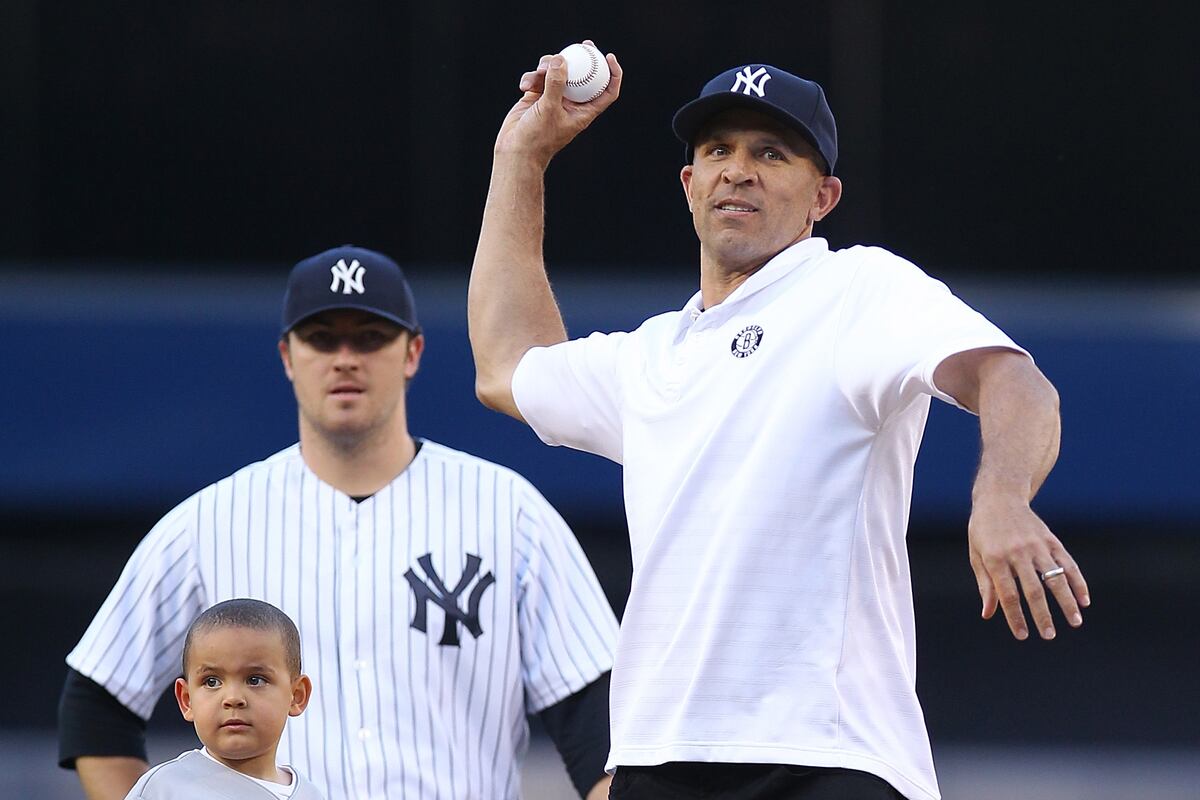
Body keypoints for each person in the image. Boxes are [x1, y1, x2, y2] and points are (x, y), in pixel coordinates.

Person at [467, 51, 1091, 800]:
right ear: (689, 185)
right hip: (657, 756)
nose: (739, 169)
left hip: (827, 755)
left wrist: (1003, 497)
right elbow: (507, 367)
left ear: (822, 196)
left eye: (771, 152)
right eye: (718, 150)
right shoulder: (652, 356)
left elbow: (1014, 379)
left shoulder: (857, 290)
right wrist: (522, 155)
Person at [60, 245, 619, 800]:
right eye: (323, 338)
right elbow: (96, 702)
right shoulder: (209, 522)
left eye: (370, 337)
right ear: (287, 355)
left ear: (412, 352)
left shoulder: (508, 513)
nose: (345, 357)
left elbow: (602, 733)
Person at [125, 598, 323, 799]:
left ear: (297, 695)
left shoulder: (311, 795)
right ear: (187, 699)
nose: (233, 698)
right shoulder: (163, 791)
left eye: (255, 680)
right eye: (212, 682)